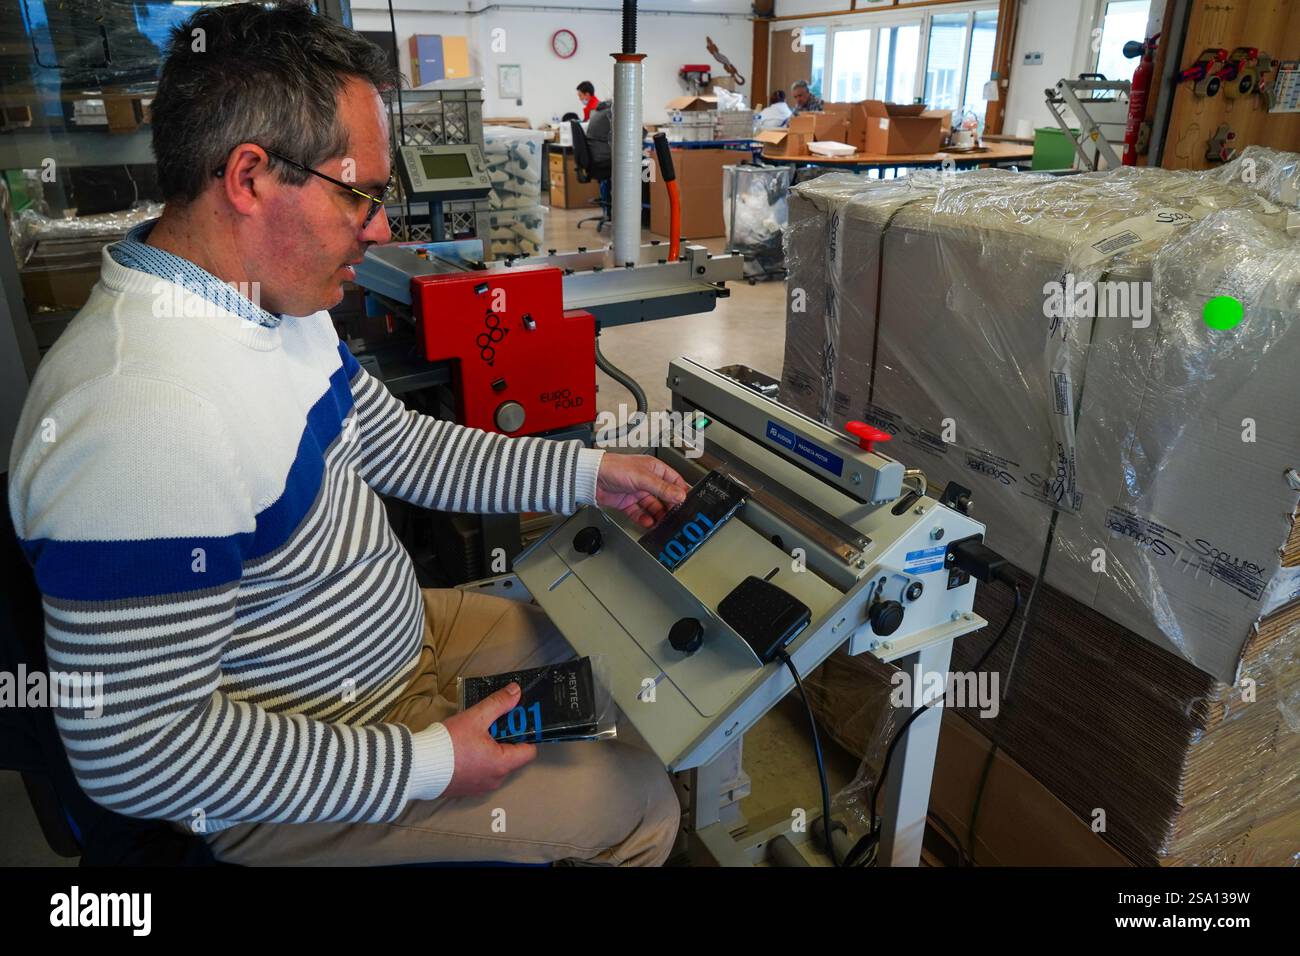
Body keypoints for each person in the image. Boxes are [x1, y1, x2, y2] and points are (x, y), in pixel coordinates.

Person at [8, 2, 687, 867]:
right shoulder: (140, 418)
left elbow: (401, 445)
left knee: (630, 660)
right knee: (641, 803)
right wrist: (427, 762)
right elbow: (136, 755)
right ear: (250, 178)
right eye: (359, 193)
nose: (380, 228)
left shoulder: (270, 301)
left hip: (403, 651)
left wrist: (591, 473)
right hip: (298, 767)